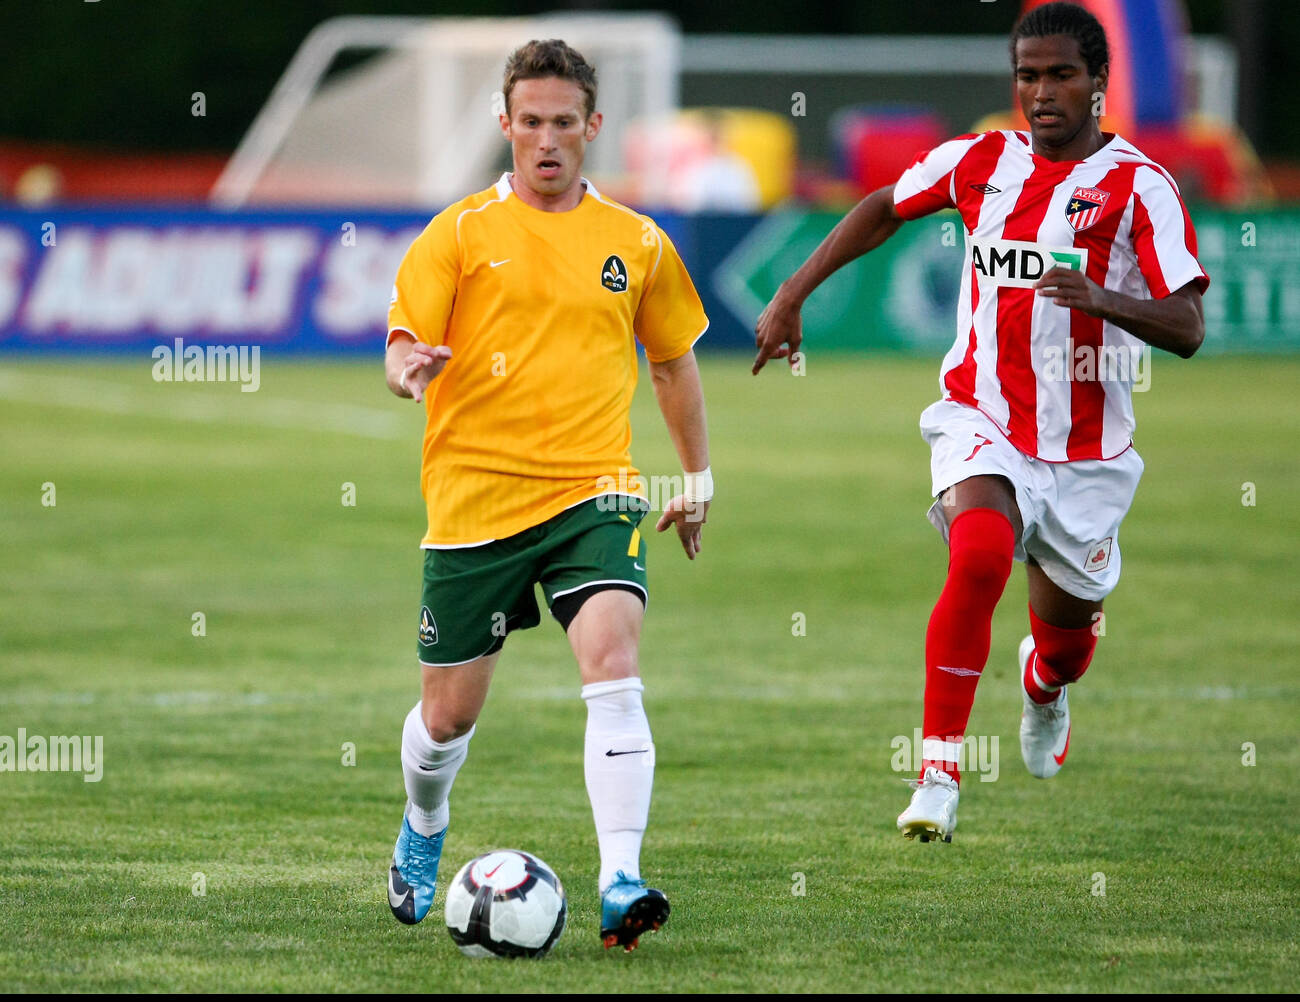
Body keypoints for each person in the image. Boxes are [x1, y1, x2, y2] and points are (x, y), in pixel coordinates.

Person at [753, 2, 1207, 842]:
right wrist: (791, 293)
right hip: (981, 417)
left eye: (1061, 75)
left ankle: (1045, 686)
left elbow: (1187, 325)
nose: (1042, 92)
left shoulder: (1142, 185)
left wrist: (1101, 299)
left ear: (1098, 84)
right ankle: (937, 773)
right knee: (980, 555)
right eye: (1028, 75)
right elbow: (883, 206)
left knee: (1067, 640)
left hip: (1087, 453)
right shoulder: (983, 162)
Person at [383, 39, 712, 948]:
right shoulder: (457, 233)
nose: (548, 139)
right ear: (506, 126)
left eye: (564, 122)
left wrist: (697, 477)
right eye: (530, 122)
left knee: (613, 663)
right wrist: (411, 367)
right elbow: (401, 343)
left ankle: (620, 880)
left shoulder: (636, 242)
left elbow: (674, 361)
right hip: (474, 505)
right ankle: (423, 823)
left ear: (593, 127)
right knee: (448, 718)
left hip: (594, 491)